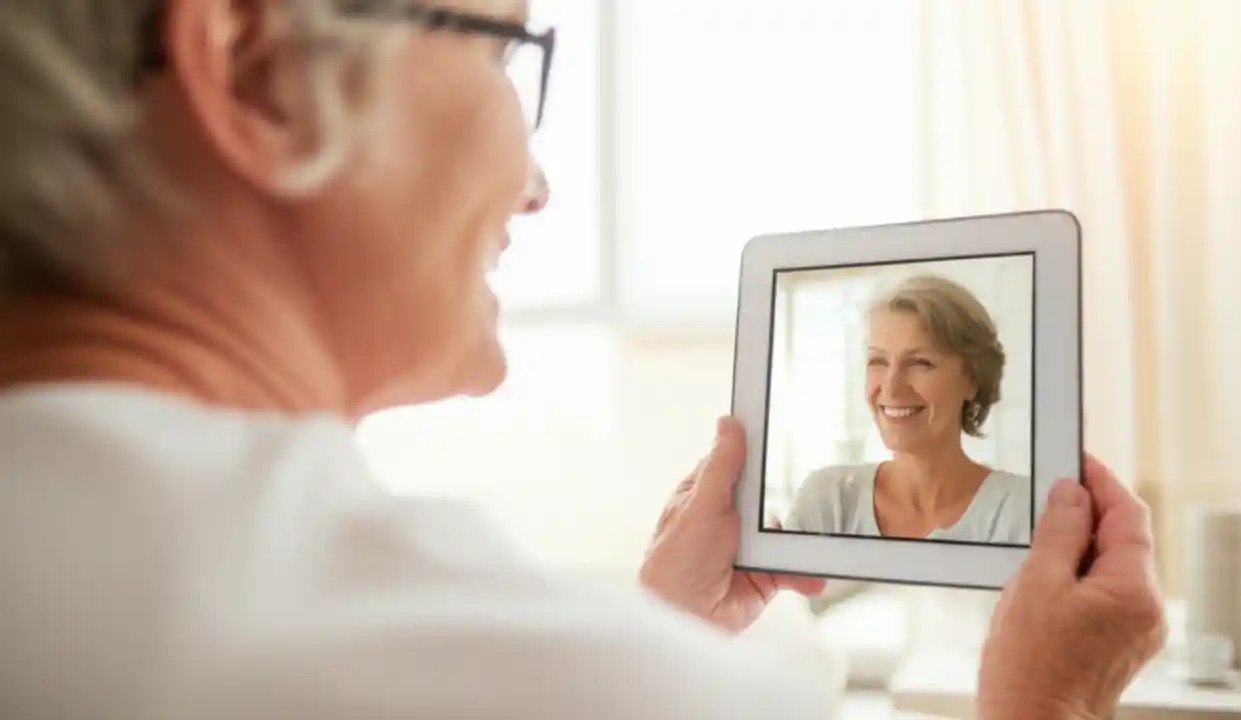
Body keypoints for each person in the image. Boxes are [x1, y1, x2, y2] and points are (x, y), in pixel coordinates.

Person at [0, 1, 1165, 718]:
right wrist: (1047, 708)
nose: (540, 184)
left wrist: (655, 631)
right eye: (506, 50)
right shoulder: (472, 662)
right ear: (255, 72)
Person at [785, 274, 1032, 544]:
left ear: (973, 379)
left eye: (920, 363)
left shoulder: (1022, 510)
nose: (891, 387)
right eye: (878, 361)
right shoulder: (828, 500)